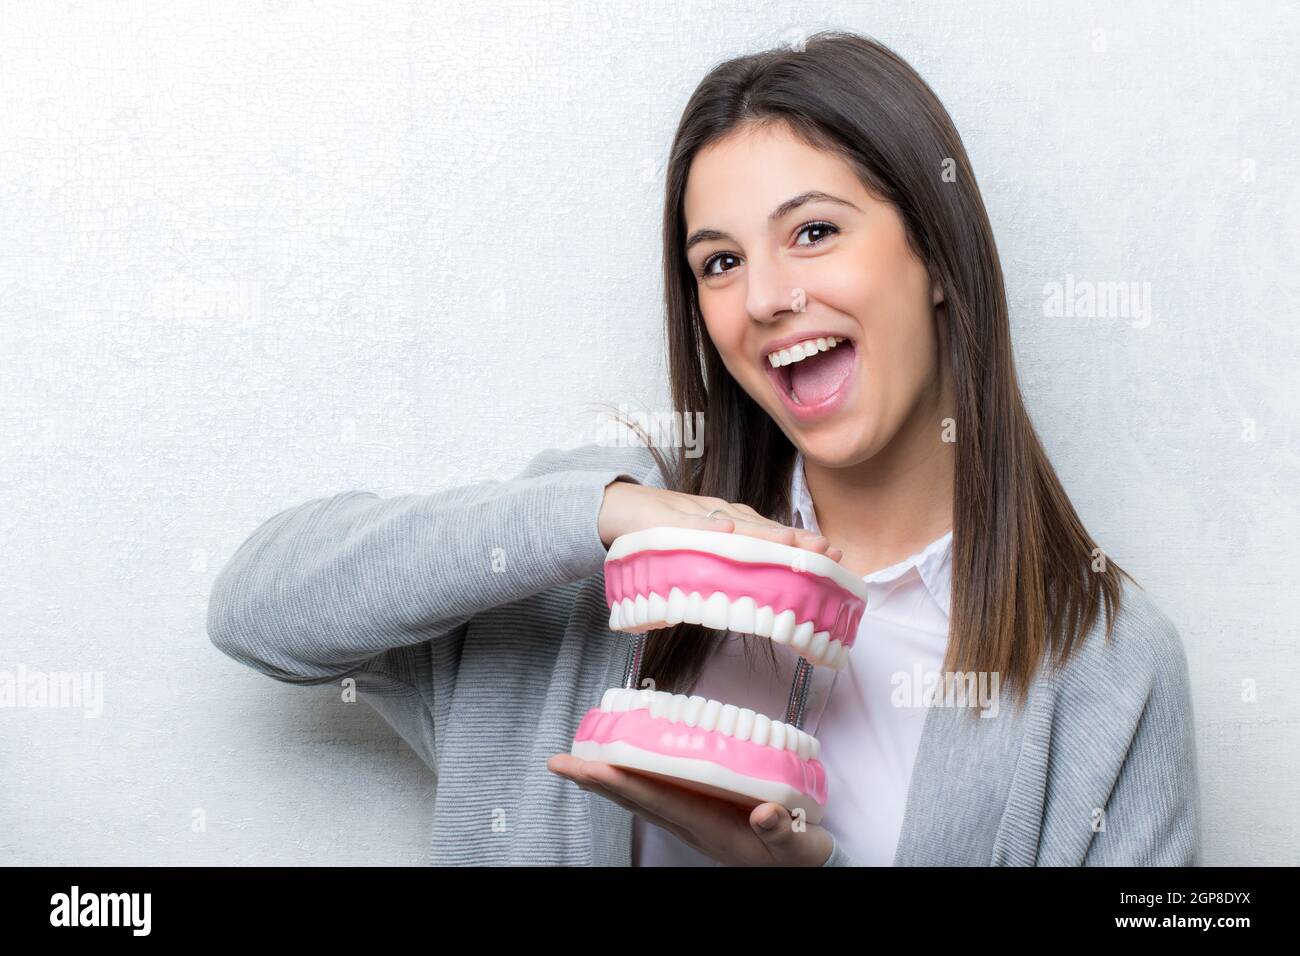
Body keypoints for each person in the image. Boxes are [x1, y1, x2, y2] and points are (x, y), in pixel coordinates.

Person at [208, 31, 1200, 866]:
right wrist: (603, 512)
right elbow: (258, 607)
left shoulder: (1109, 669)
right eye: (717, 261)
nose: (762, 296)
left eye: (812, 232)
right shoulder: (598, 573)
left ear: (936, 255)